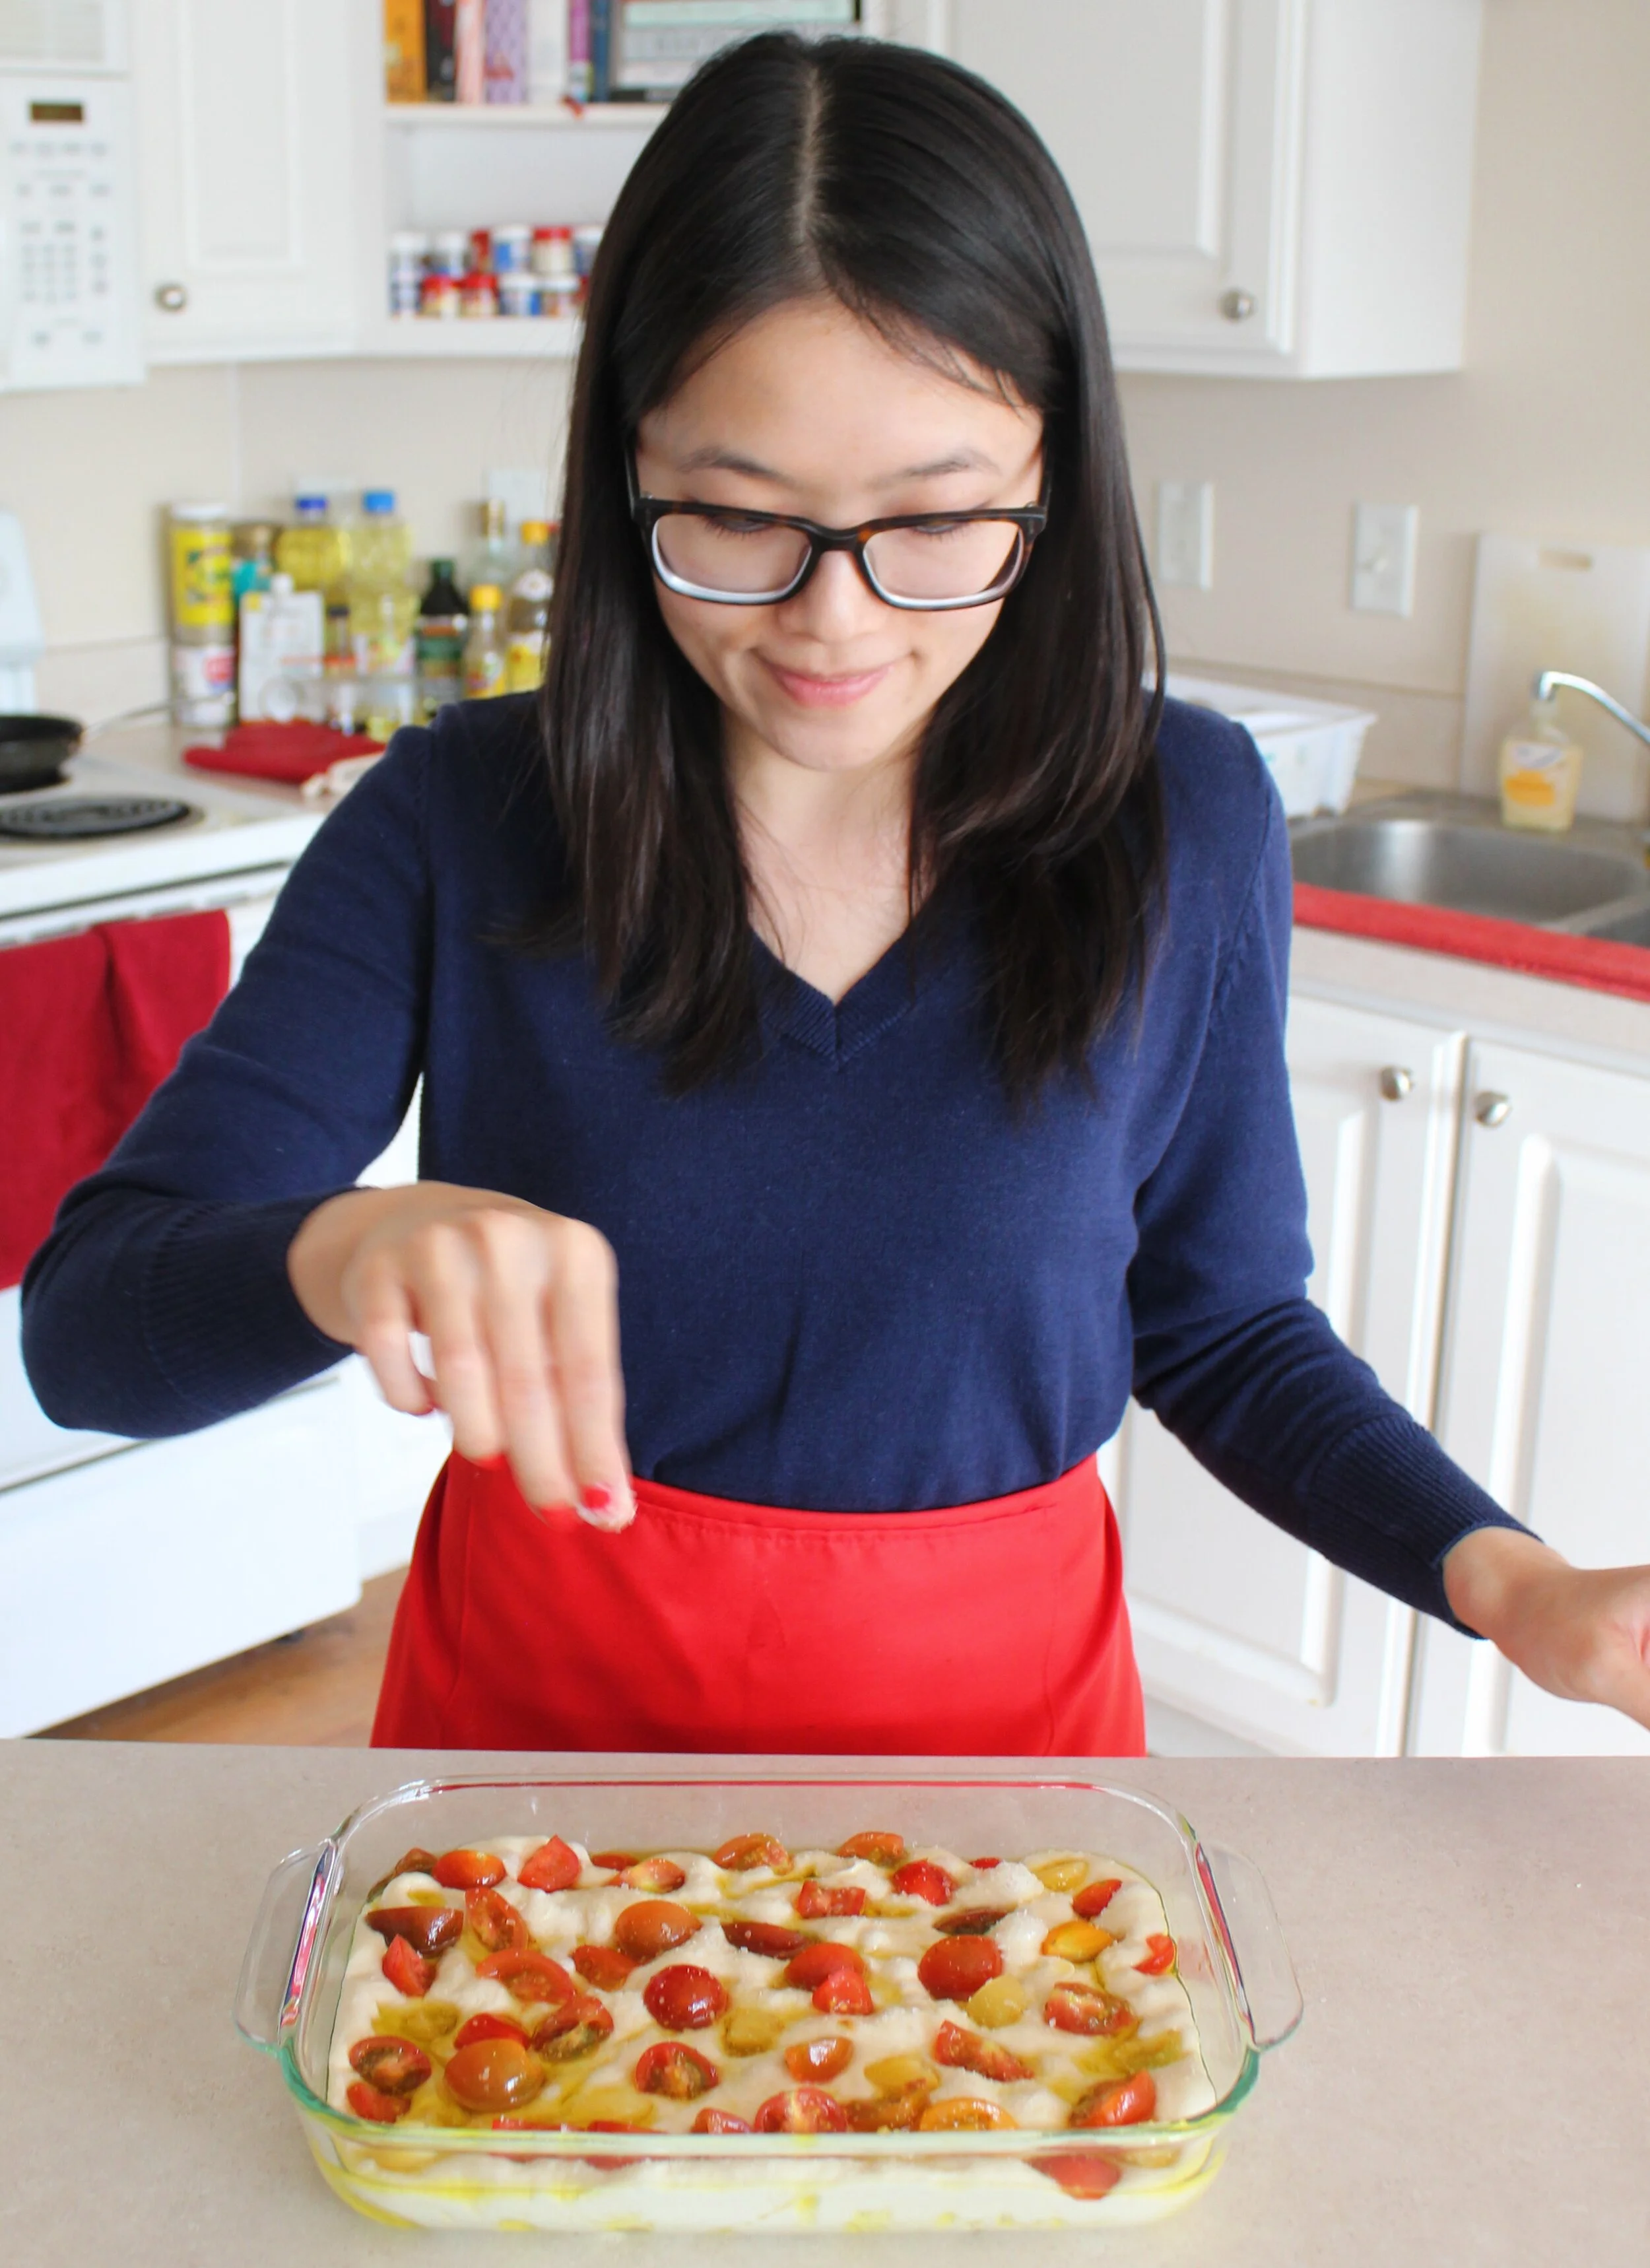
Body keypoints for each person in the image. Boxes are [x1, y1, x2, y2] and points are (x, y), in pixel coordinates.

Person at [22, 34, 1650, 1749]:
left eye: (935, 523)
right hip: (536, 1797)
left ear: (1053, 474)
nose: (835, 621)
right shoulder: (461, 813)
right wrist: (341, 1244)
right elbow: (88, 1330)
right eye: (737, 519)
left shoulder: (1184, 814)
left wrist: (1514, 1584)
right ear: (626, 470)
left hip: (1007, 1810)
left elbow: (1224, 1322)